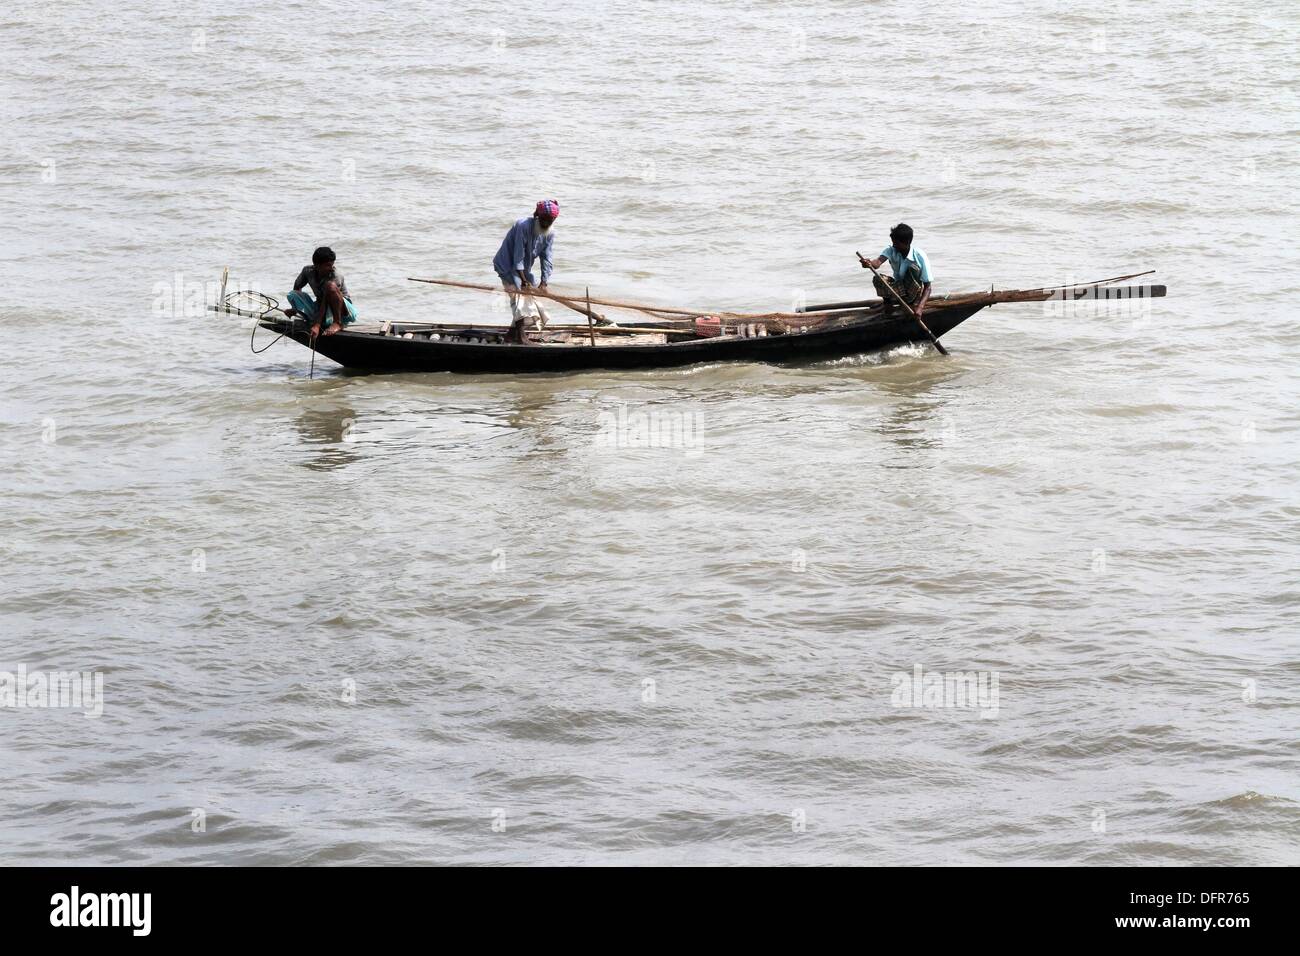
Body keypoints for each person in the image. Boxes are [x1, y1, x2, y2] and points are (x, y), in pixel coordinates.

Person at [492, 200, 558, 343]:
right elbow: (518, 256)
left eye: (550, 221)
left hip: (523, 268)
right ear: (538, 216)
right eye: (544, 220)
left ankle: (511, 334)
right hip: (507, 264)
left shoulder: (550, 233)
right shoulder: (523, 226)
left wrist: (544, 282)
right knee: (519, 296)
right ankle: (521, 337)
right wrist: (523, 281)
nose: (546, 224)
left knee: (530, 298)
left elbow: (547, 258)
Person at [861, 223, 932, 322]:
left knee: (912, 268)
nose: (894, 245)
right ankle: (888, 305)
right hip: (899, 288)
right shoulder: (891, 250)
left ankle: (911, 303)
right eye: (893, 242)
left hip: (913, 293)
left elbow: (928, 287)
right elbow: (877, 263)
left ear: (907, 242)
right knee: (878, 279)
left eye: (897, 243)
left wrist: (920, 308)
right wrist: (868, 263)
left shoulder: (920, 256)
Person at [283, 246, 357, 337]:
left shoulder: (335, 275)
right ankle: (319, 321)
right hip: (322, 309)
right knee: (293, 294)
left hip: (343, 312)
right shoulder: (308, 271)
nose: (331, 268)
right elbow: (297, 287)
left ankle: (337, 323)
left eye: (332, 264)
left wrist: (317, 325)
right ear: (316, 265)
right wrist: (295, 309)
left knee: (330, 286)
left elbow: (325, 301)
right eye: (327, 265)